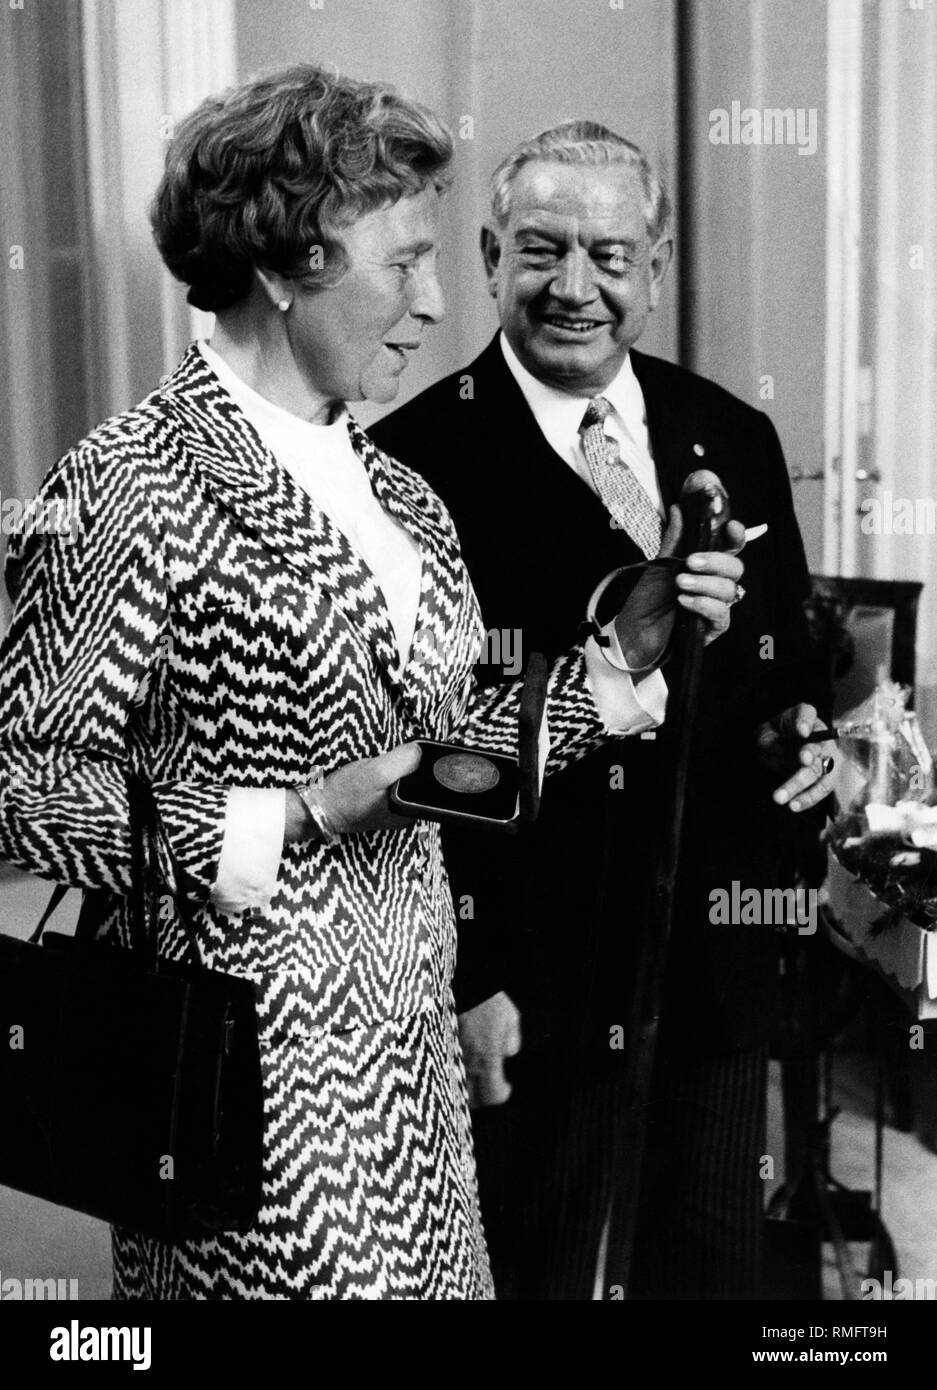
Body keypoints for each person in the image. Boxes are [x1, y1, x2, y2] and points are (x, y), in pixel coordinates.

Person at [0, 81, 743, 1300]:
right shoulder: (131, 478)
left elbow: (450, 767)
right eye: (402, 265)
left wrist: (620, 664)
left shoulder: (401, 497)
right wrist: (289, 814)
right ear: (290, 261)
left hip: (418, 1076)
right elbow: (26, 789)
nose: (439, 303)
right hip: (246, 1081)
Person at [371, 121, 835, 1300]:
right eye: (541, 250)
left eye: (610, 257)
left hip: (717, 965)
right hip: (535, 978)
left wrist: (807, 742)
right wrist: (468, 979)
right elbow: (421, 763)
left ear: (658, 264)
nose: (574, 288)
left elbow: (785, 665)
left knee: (713, 1266)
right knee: (542, 1268)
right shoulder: (409, 470)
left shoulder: (735, 431)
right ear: (486, 254)